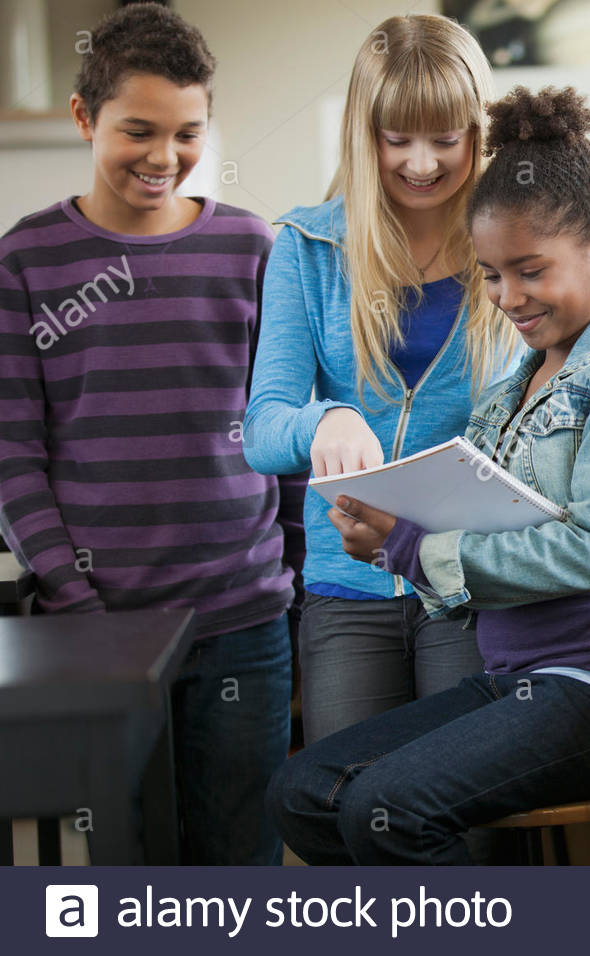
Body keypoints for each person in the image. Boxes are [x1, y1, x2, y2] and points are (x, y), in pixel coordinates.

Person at [264, 86, 590, 865]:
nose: (508, 298)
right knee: (303, 795)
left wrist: (415, 546)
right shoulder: (517, 385)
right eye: (492, 276)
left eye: (529, 271)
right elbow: (469, 530)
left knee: (384, 810)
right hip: (517, 675)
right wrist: (382, 542)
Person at [0, 3, 303, 864]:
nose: (164, 158)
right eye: (138, 130)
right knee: (123, 872)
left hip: (244, 619)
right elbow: (12, 455)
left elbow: (280, 436)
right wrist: (79, 601)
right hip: (96, 632)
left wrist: (293, 573)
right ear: (83, 117)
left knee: (239, 867)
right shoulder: (24, 262)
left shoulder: (254, 249)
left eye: (188, 133)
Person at [243, 14, 517, 745]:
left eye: (446, 138)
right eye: (398, 139)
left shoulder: (514, 248)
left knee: (459, 818)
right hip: (347, 592)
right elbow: (264, 428)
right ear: (363, 136)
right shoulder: (307, 247)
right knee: (343, 808)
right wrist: (323, 419)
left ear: (478, 132)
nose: (422, 162)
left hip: (467, 585)